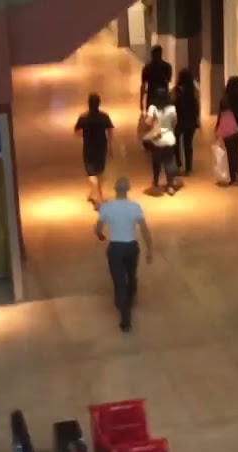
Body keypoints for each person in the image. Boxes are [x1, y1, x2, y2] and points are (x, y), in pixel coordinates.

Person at [94, 177, 154, 331]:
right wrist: (150, 249)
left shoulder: (106, 207)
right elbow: (145, 230)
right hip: (131, 247)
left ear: (115, 189)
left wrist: (100, 235)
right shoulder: (135, 207)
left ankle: (125, 316)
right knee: (131, 274)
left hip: (115, 248)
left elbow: (98, 228)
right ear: (128, 189)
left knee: (119, 281)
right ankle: (131, 294)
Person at [74, 94, 115, 208]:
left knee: (91, 173)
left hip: (88, 147)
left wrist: (84, 135)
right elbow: (110, 130)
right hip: (102, 146)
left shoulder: (83, 117)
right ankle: (98, 194)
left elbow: (76, 131)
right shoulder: (104, 116)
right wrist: (111, 146)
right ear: (99, 103)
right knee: (100, 172)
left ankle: (97, 197)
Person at [214, 76, 238, 184]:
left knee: (230, 153)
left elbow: (220, 115)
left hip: (228, 129)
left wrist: (217, 127)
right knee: (236, 150)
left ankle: (232, 176)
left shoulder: (225, 99)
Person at [143, 89, 179, 195]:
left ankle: (155, 182)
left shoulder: (152, 108)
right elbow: (174, 123)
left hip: (157, 139)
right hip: (169, 138)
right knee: (169, 162)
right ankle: (170, 186)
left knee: (156, 161)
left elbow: (148, 122)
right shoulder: (172, 109)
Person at [173, 69, 200, 176]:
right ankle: (189, 168)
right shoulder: (194, 91)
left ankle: (178, 164)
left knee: (176, 143)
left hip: (179, 120)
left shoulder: (176, 90)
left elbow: (172, 103)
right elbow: (197, 107)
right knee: (188, 144)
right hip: (191, 120)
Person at [139, 45, 173, 111]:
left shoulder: (147, 68)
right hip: (163, 97)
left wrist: (141, 101)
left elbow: (143, 86)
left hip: (151, 97)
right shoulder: (167, 67)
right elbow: (168, 80)